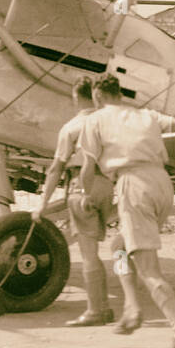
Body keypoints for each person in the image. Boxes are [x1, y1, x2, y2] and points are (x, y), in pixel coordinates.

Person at [79, 74, 175, 348]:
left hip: (133, 185)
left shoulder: (94, 120)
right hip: (163, 185)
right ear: (119, 93)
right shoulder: (145, 114)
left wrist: (84, 194)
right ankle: (132, 307)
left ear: (97, 96)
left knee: (149, 269)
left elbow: (86, 167)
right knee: (119, 248)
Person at [35, 78, 116, 326]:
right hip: (109, 187)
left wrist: (42, 204)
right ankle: (106, 307)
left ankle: (96, 311)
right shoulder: (109, 123)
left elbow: (55, 169)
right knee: (109, 251)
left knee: (89, 254)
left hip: (83, 186)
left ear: (74, 97)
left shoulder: (71, 127)